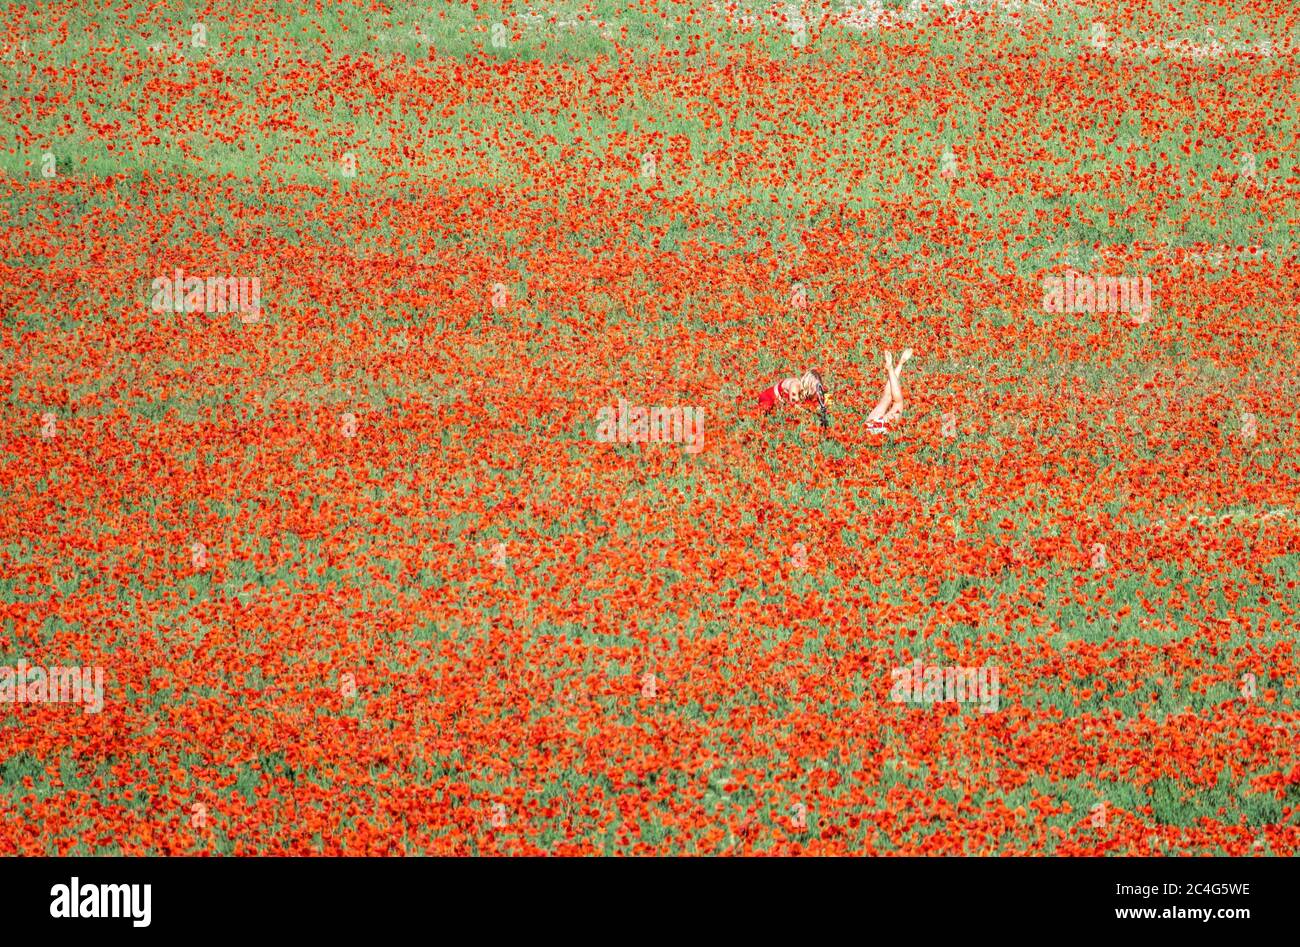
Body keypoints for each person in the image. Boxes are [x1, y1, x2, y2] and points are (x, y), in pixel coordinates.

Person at [758, 369, 828, 425]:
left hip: (780, 406)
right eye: (814, 386)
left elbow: (818, 405)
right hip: (768, 398)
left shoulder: (810, 392)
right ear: (808, 384)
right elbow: (795, 406)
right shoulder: (795, 385)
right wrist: (814, 411)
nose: (816, 389)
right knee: (764, 415)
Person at [866, 349, 912, 432]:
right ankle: (894, 366)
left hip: (870, 428)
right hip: (876, 429)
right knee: (894, 401)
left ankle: (894, 366)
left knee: (887, 398)